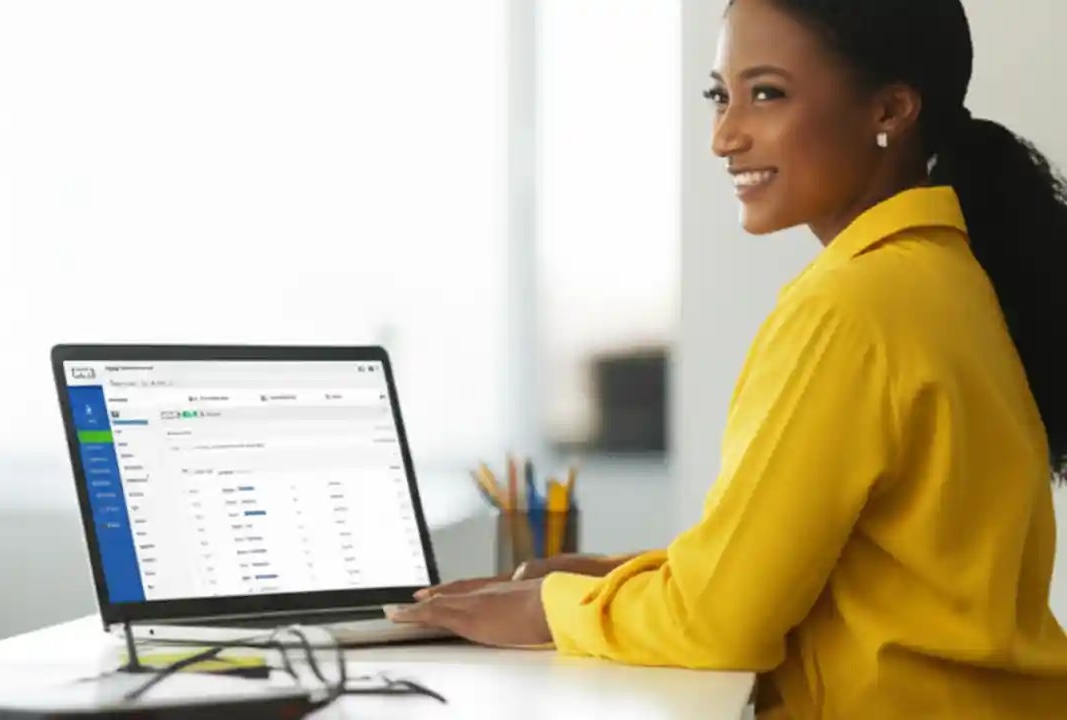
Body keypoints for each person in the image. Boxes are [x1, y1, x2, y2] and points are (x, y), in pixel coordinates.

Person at [388, 0, 1067, 715]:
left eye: (767, 94)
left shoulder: (854, 305)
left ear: (890, 109)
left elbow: (720, 625)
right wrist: (627, 579)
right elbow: (836, 573)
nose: (724, 136)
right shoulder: (939, 275)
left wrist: (548, 611)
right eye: (721, 95)